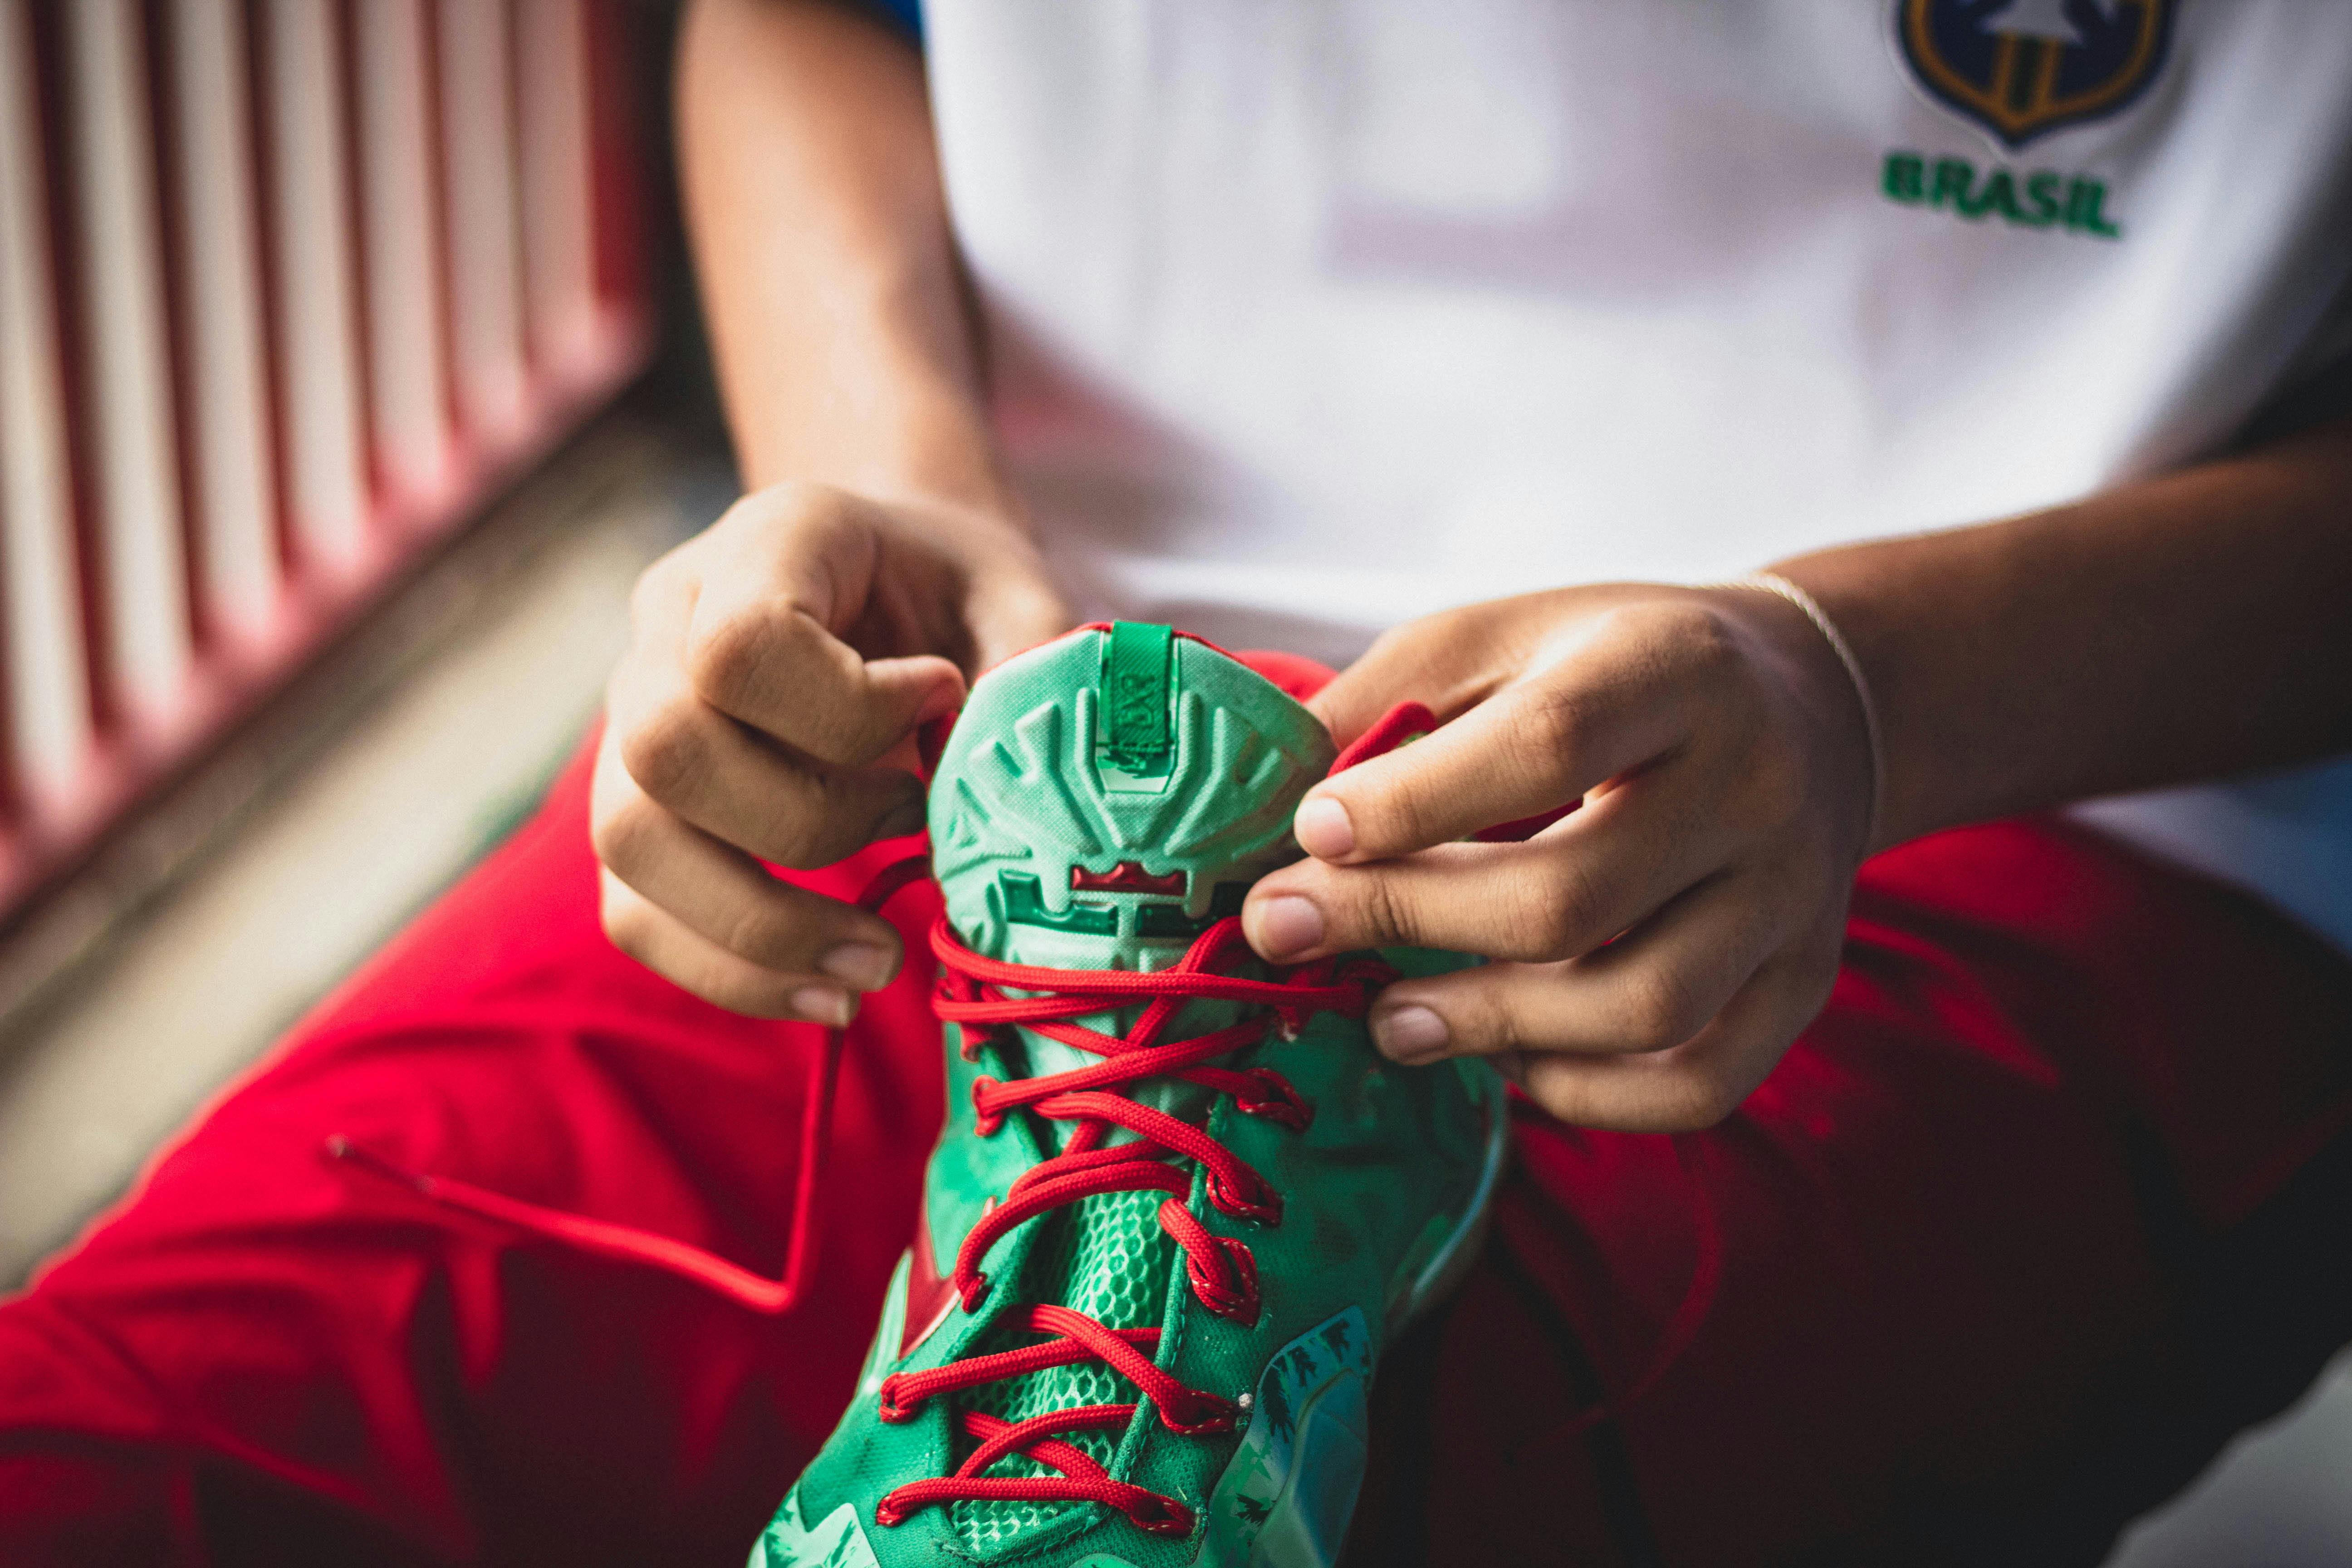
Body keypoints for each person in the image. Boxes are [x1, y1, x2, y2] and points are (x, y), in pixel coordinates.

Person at [5, 1, 2352, 1563]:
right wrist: (881, 495)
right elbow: (813, 8)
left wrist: (1872, 694)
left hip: (2037, 775)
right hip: (1018, 718)